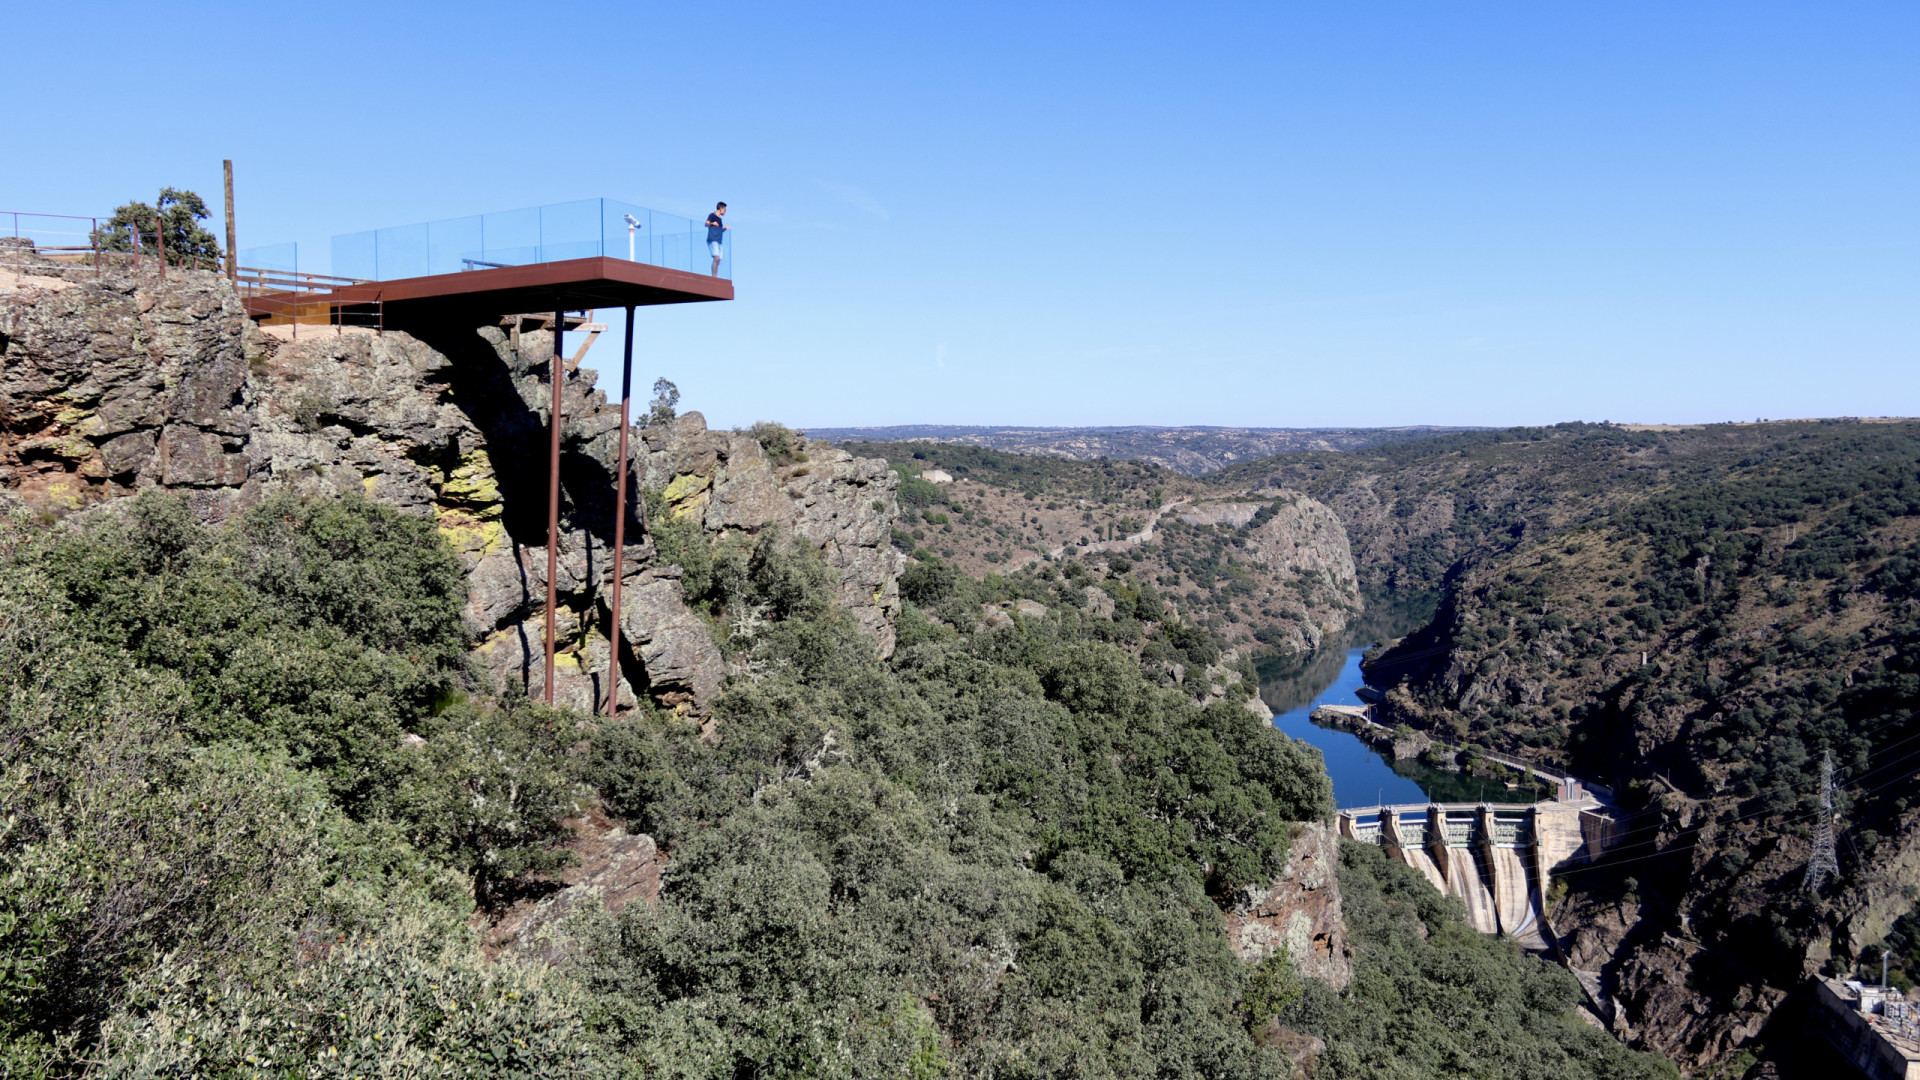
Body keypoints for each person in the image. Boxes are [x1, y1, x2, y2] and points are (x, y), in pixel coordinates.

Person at [706, 202, 728, 276]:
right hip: (713, 239)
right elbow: (706, 224)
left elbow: (719, 230)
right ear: (720, 208)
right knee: (716, 258)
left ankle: (715, 276)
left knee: (718, 260)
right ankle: (714, 276)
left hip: (719, 241)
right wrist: (712, 223)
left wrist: (724, 229)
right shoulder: (712, 215)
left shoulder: (720, 220)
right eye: (724, 209)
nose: (725, 211)